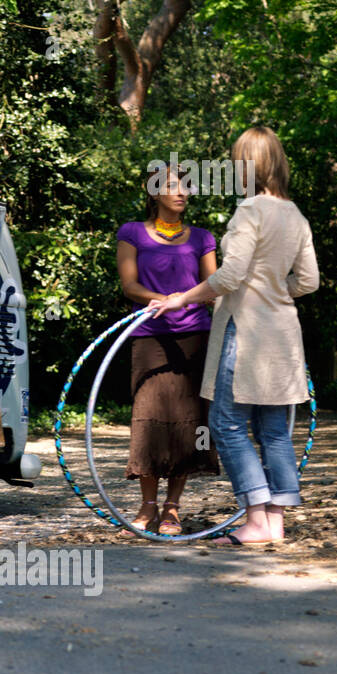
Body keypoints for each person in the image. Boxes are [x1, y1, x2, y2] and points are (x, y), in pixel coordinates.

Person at [150, 126, 319, 546]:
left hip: (245, 333)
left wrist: (180, 299)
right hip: (283, 334)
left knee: (226, 425)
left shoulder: (250, 212)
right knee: (275, 431)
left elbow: (229, 276)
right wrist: (275, 290)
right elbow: (310, 281)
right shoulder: (295, 214)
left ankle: (255, 520)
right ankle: (274, 525)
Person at [115, 165, 220, 535]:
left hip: (194, 337)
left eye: (187, 186)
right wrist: (163, 300)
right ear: (154, 192)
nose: (182, 193)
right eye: (173, 186)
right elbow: (129, 286)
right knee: (149, 420)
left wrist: (185, 302)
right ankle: (147, 505)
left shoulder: (203, 238)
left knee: (189, 422)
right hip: (148, 335)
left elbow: (213, 287)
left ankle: (173, 509)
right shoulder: (132, 233)